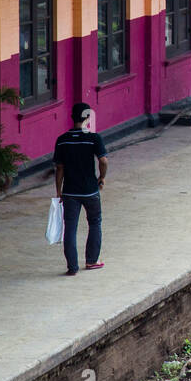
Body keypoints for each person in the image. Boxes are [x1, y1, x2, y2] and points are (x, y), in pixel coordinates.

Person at [54, 103, 108, 276]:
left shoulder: (62, 140)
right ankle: (92, 261)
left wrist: (59, 191)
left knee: (70, 228)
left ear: (72, 117)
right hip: (90, 190)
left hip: (70, 191)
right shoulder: (94, 138)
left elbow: (60, 168)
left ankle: (72, 267)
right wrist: (102, 177)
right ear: (87, 118)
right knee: (95, 222)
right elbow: (103, 161)